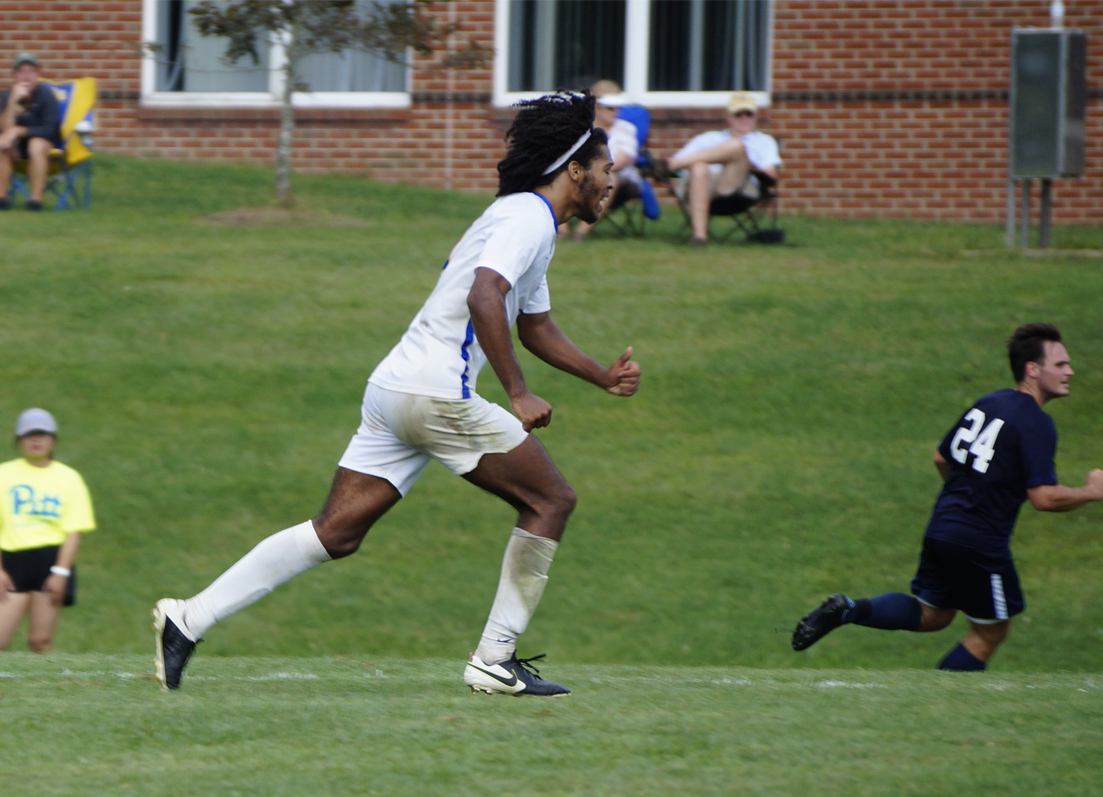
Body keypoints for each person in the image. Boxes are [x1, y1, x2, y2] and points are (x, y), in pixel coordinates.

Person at [152, 91, 641, 696]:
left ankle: (188, 617)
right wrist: (516, 391)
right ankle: (495, 657)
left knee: (337, 532)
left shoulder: (522, 219)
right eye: (606, 168)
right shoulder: (528, 219)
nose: (612, 180)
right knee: (551, 501)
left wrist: (599, 375)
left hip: (394, 388)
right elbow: (485, 296)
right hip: (439, 392)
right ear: (575, 170)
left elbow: (531, 322)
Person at [792, 324, 1103, 671]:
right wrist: (1091, 492)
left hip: (942, 527)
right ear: (1033, 368)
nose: (1070, 371)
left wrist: (968, 494)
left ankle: (849, 608)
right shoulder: (1037, 422)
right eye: (1060, 364)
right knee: (991, 633)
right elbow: (1044, 498)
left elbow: (942, 458)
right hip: (981, 543)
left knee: (933, 615)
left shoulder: (990, 402)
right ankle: (942, 702)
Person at [0, 408, 96, 652]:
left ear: (53, 440)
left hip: (51, 561)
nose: (36, 440)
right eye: (29, 435)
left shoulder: (70, 479)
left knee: (40, 642)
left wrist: (60, 573)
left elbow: (73, 532)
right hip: (13, 562)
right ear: (19, 441)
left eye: (43, 435)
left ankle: (40, 690)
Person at [644, 92, 780, 245]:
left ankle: (669, 164)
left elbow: (771, 176)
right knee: (699, 167)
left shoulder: (765, 141)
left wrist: (749, 163)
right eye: (738, 114)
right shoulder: (708, 138)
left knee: (737, 145)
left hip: (737, 187)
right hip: (700, 185)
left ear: (755, 117)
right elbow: (681, 166)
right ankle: (699, 237)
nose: (743, 118)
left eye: (748, 114)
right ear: (728, 117)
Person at [561, 80, 641, 241]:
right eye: (610, 108)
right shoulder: (579, 128)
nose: (615, 112)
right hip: (581, 174)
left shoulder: (626, 129)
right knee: (561, 175)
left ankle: (581, 232)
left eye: (618, 108)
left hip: (621, 178)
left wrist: (597, 171)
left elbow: (625, 158)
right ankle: (561, 231)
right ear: (596, 107)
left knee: (610, 178)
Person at [0, 53, 62, 211]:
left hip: (45, 148)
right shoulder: (8, 96)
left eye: (31, 71)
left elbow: (49, 130)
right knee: (0, 144)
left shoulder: (46, 96)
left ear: (38, 75)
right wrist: (13, 101)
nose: (26, 76)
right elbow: (3, 130)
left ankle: (35, 201)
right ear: (14, 75)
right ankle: (1, 199)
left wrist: (20, 130)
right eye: (21, 71)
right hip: (18, 149)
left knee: (35, 144)